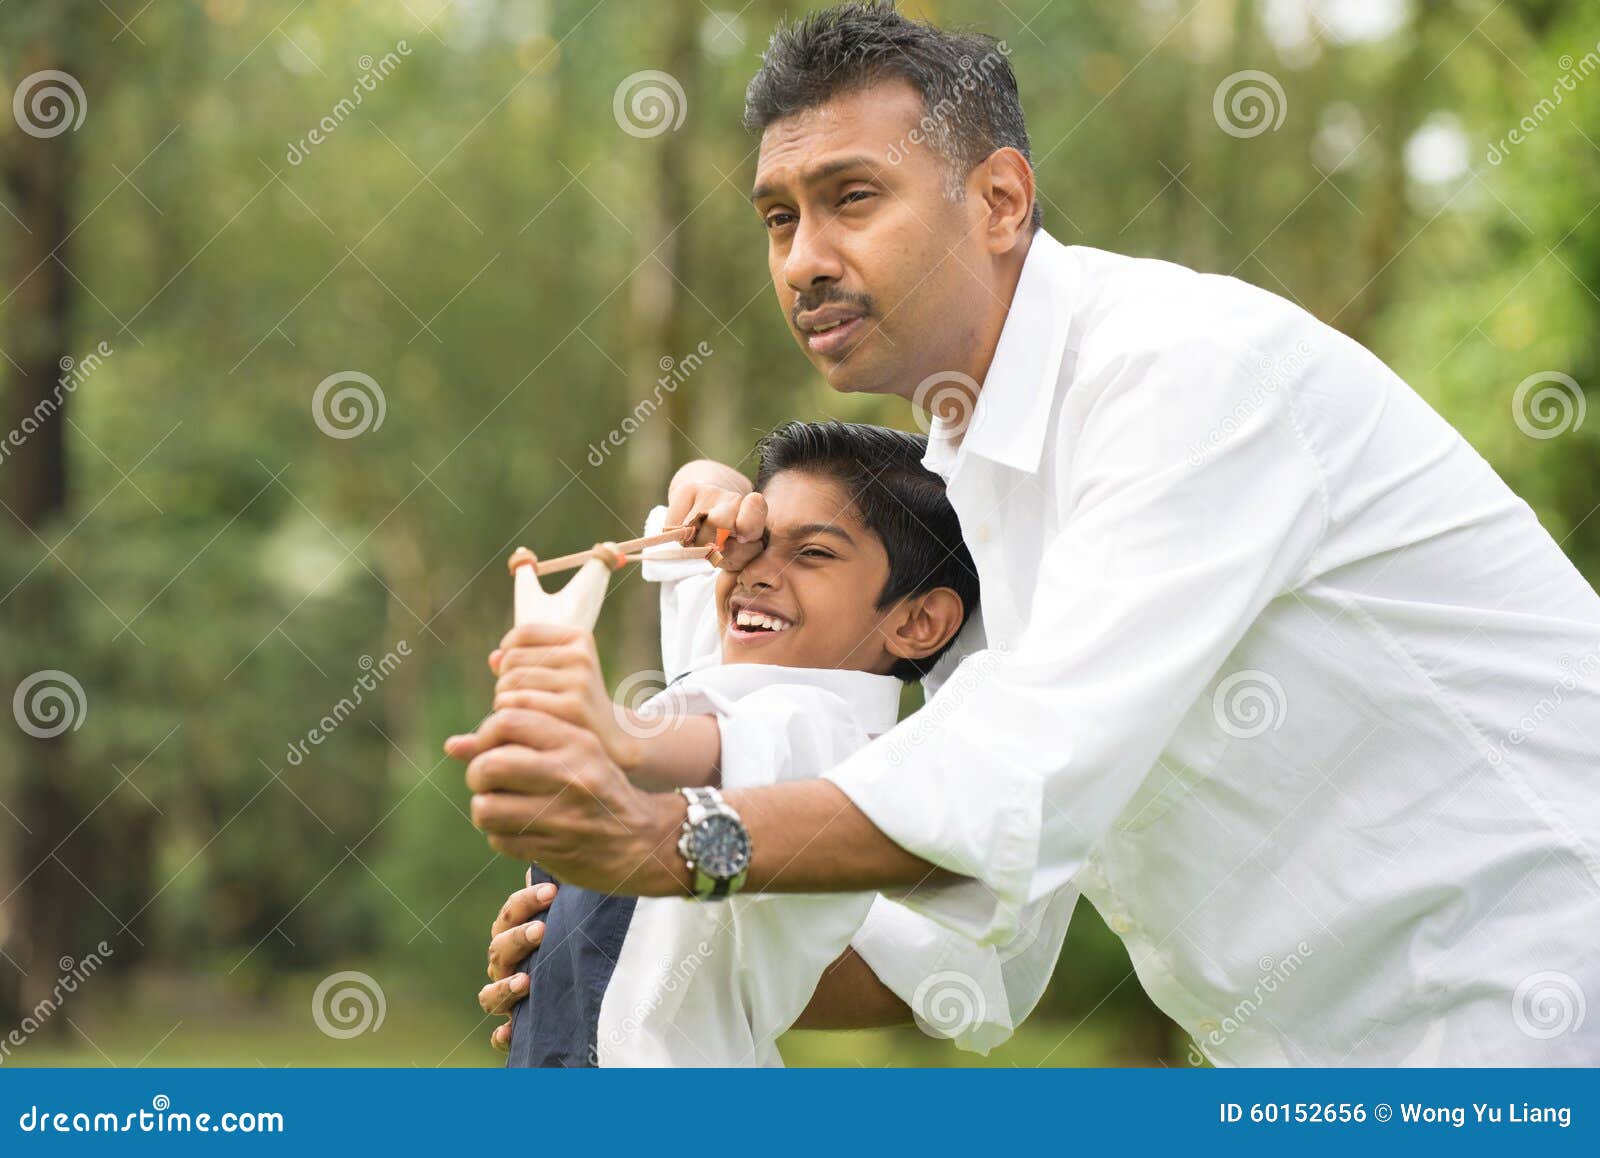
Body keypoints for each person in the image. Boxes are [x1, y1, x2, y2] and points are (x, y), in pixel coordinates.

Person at [454, 1, 1600, 1064]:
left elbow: (1020, 774)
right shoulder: (974, 485)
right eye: (777, 217)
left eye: (853, 198)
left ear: (1001, 201)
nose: (802, 259)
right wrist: (631, 948)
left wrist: (663, 840)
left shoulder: (1183, 374)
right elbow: (969, 951)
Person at [462, 422, 1068, 1065]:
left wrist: (612, 734)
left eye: (814, 554)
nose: (757, 575)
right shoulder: (733, 663)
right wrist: (717, 494)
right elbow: (689, 506)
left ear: (915, 621)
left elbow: (728, 746)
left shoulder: (833, 736)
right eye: (752, 545)